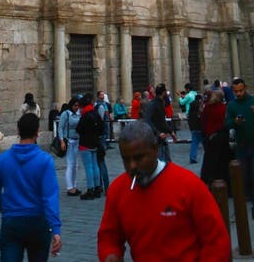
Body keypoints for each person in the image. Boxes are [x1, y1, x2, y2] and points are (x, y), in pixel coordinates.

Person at [97, 120, 231, 262]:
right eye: (126, 159)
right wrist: (110, 254)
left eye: (139, 158)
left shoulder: (188, 185)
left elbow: (216, 240)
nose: (132, 166)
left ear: (155, 149)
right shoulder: (118, 189)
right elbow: (109, 236)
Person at [0, 112, 62, 261]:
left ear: (18, 131)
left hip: (12, 220)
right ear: (37, 132)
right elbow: (49, 197)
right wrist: (55, 228)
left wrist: (2, 204)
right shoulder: (45, 160)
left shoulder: (3, 159)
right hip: (38, 220)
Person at [225, 78, 254, 222]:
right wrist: (235, 122)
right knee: (242, 177)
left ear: (245, 88)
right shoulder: (231, 105)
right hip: (241, 146)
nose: (239, 93)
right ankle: (244, 203)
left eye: (241, 90)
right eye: (236, 91)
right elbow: (227, 124)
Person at [76, 93, 104, 200]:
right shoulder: (95, 114)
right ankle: (97, 188)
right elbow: (101, 127)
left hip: (85, 143)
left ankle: (90, 189)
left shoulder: (85, 116)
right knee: (95, 165)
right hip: (95, 142)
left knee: (88, 167)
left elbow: (79, 129)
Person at [200, 88, 230, 188]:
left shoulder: (208, 107)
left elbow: (203, 122)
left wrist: (205, 134)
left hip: (211, 137)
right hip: (221, 137)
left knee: (210, 162)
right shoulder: (224, 108)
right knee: (222, 162)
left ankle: (210, 182)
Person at [58, 96, 82, 196]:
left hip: (77, 141)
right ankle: (69, 187)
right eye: (75, 105)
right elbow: (60, 128)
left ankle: (74, 185)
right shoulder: (66, 114)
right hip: (68, 141)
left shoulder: (79, 113)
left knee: (75, 165)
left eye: (78, 106)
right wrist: (62, 141)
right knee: (70, 164)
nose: (76, 107)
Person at [144, 83, 174, 162]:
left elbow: (162, 121)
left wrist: (170, 131)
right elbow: (147, 120)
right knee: (160, 161)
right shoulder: (153, 104)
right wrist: (158, 133)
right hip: (156, 138)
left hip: (161, 138)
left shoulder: (160, 103)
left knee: (167, 161)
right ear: (163, 92)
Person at [186, 91, 204, 164]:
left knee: (194, 143)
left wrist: (191, 127)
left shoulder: (191, 108)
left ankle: (192, 157)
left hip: (193, 128)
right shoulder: (200, 108)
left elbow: (189, 119)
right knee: (205, 144)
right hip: (200, 128)